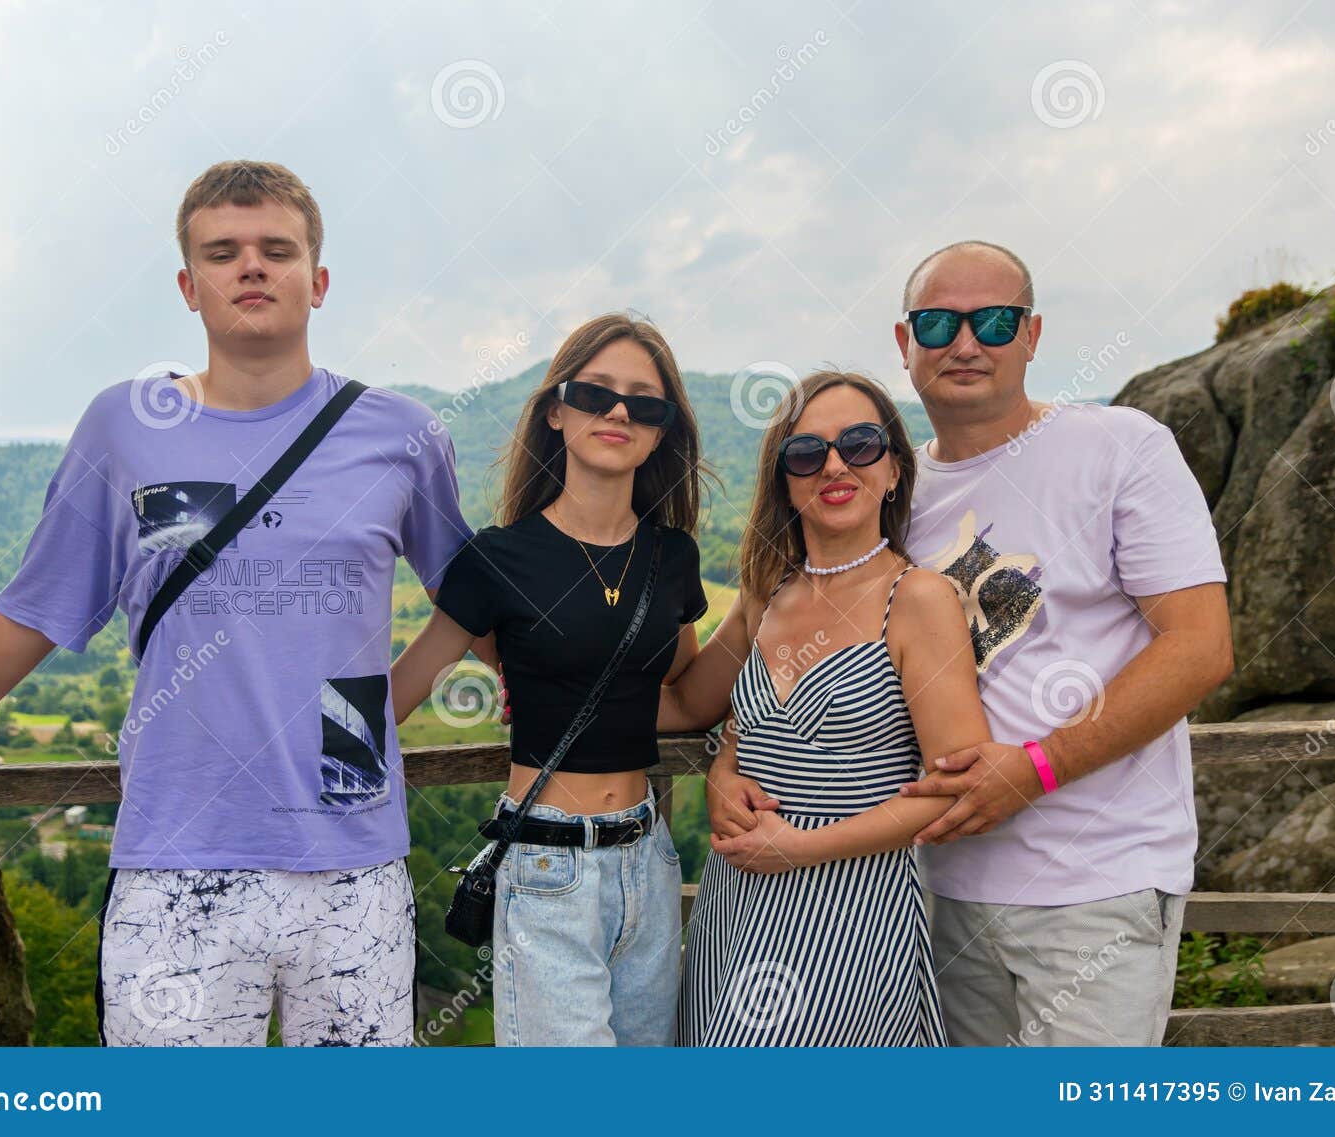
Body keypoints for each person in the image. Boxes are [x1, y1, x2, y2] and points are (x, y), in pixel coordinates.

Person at [0, 160, 477, 1047]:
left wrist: (383, 704)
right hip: (178, 858)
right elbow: (37, 609)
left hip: (352, 861)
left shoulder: (400, 433)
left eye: (276, 250)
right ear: (188, 285)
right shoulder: (127, 425)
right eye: (224, 251)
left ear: (317, 282)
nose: (252, 266)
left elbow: (470, 596)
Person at [890, 240, 1234, 1046]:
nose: (965, 343)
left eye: (995, 321)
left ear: (1034, 335)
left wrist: (1039, 767)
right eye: (938, 322)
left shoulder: (1120, 447)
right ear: (905, 343)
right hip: (937, 889)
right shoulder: (888, 486)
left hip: (1098, 886)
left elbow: (1200, 645)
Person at [392, 312, 710, 1046]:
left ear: (662, 432)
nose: (621, 412)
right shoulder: (498, 558)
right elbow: (398, 692)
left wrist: (764, 601)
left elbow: (680, 692)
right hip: (546, 863)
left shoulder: (673, 557)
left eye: (645, 403)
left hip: (650, 858)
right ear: (557, 409)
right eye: (597, 393)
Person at [669, 370, 987, 1046]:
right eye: (807, 453)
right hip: (738, 902)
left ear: (896, 469)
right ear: (785, 479)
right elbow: (699, 709)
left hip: (851, 909)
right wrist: (719, 775)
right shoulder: (766, 592)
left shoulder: (920, 599)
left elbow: (953, 787)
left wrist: (803, 848)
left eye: (861, 444)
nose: (835, 465)